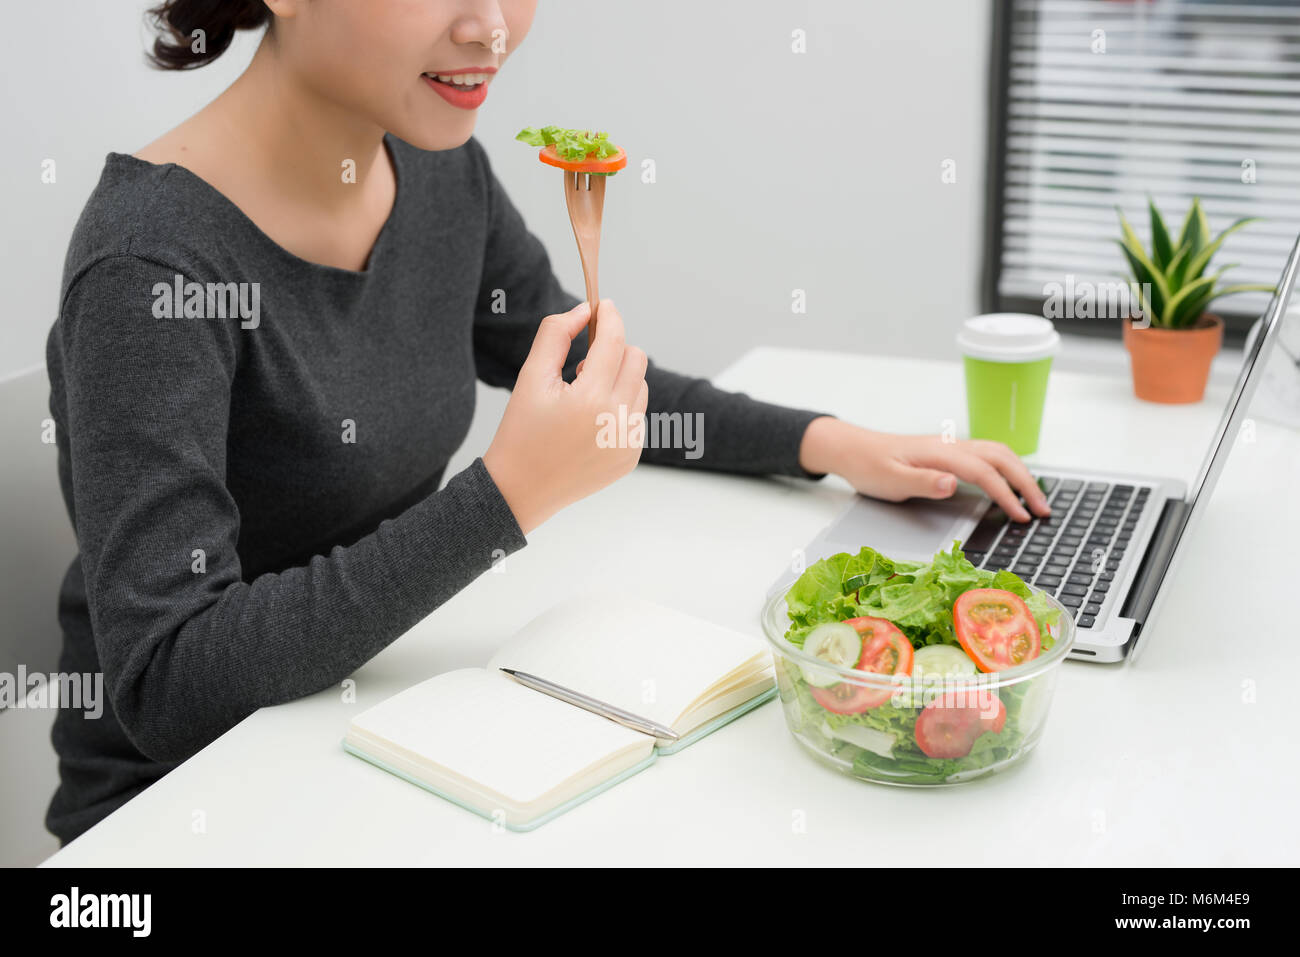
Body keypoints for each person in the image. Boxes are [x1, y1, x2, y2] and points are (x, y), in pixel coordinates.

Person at [43, 0, 1050, 845]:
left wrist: (828, 443)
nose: (492, 28)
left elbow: (580, 372)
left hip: (373, 723)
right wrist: (507, 498)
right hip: (191, 810)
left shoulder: (437, 172)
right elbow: (169, 681)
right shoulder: (153, 267)